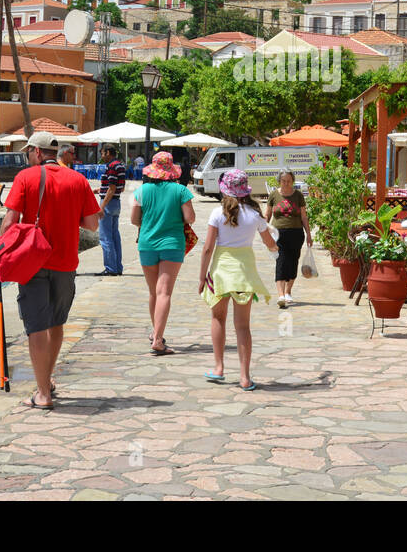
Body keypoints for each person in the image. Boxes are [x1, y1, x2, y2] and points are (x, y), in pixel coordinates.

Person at [0, 132, 101, 410]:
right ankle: (47, 379)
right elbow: (92, 225)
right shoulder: (78, 180)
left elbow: (10, 222)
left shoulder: (26, 178)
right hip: (65, 263)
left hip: (32, 262)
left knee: (36, 328)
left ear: (37, 153)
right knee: (56, 324)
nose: (28, 156)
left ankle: (43, 393)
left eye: (29, 151)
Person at [197, 170, 277, 390]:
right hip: (244, 273)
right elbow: (269, 242)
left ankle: (219, 367)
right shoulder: (254, 214)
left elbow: (207, 249)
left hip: (221, 273)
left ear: (225, 190)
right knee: (242, 326)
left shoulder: (216, 214)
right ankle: (244, 377)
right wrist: (277, 248)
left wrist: (202, 277)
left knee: (218, 319)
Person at [130, 151, 196, 355]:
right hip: (172, 244)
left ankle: (155, 331)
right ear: (171, 170)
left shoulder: (142, 191)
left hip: (147, 244)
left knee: (154, 292)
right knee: (164, 292)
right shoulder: (180, 191)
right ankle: (158, 339)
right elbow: (190, 218)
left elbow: (134, 220)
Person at [266, 170, 312, 308]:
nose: (286, 183)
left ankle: (288, 291)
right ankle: (280, 295)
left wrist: (309, 234)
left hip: (296, 233)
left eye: (289, 181)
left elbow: (303, 216)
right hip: (278, 234)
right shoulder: (274, 195)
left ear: (292, 181)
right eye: (283, 181)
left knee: (293, 262)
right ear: (279, 181)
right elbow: (267, 215)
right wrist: (265, 231)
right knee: (281, 261)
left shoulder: (298, 196)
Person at [96, 145, 126, 276]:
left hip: (108, 203)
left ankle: (110, 268)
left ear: (108, 152)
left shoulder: (111, 166)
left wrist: (101, 207)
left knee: (105, 237)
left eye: (102, 153)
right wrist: (99, 190)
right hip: (116, 203)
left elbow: (112, 188)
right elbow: (120, 187)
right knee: (115, 236)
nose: (102, 156)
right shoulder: (120, 165)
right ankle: (117, 267)